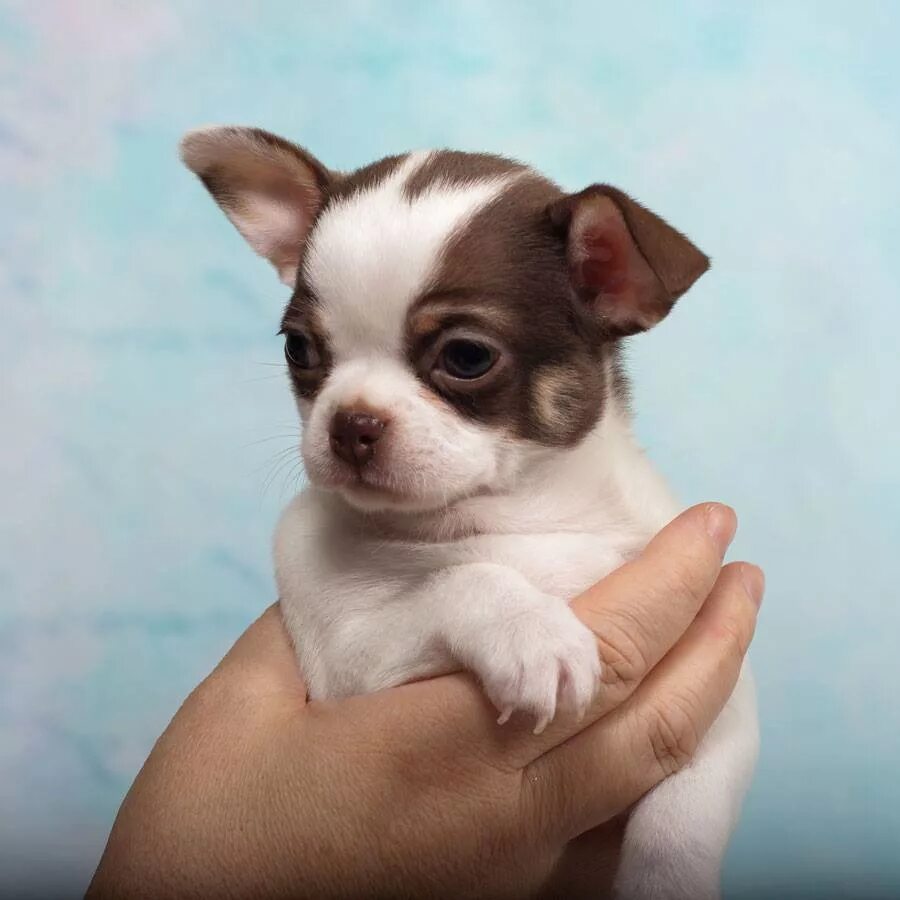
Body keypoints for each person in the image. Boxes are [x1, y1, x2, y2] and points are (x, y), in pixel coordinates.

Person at [86, 503, 763, 898]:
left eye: (466, 358)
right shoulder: (319, 535)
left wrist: (671, 867)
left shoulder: (612, 514)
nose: (360, 408)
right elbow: (352, 670)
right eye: (305, 352)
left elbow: (699, 708)